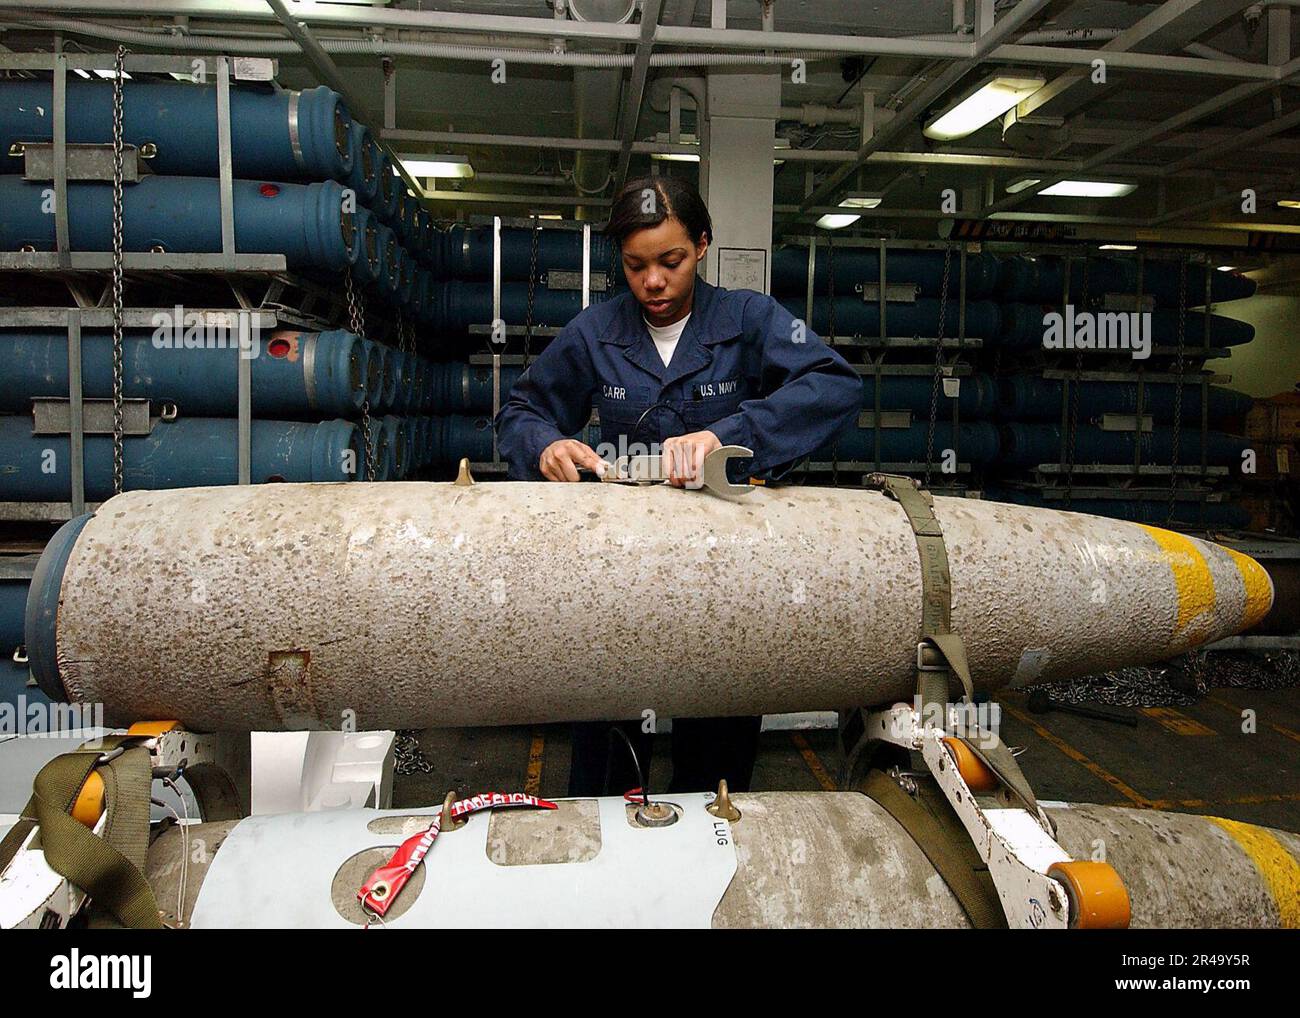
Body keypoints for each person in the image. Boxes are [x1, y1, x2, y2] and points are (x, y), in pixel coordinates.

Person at [495, 174, 862, 796]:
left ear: (703, 245)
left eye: (671, 261)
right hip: (620, 582)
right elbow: (518, 411)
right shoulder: (595, 331)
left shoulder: (749, 319)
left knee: (714, 772)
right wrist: (546, 445)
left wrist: (734, 433)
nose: (654, 282)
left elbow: (835, 385)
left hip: (728, 584)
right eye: (636, 266)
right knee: (605, 765)